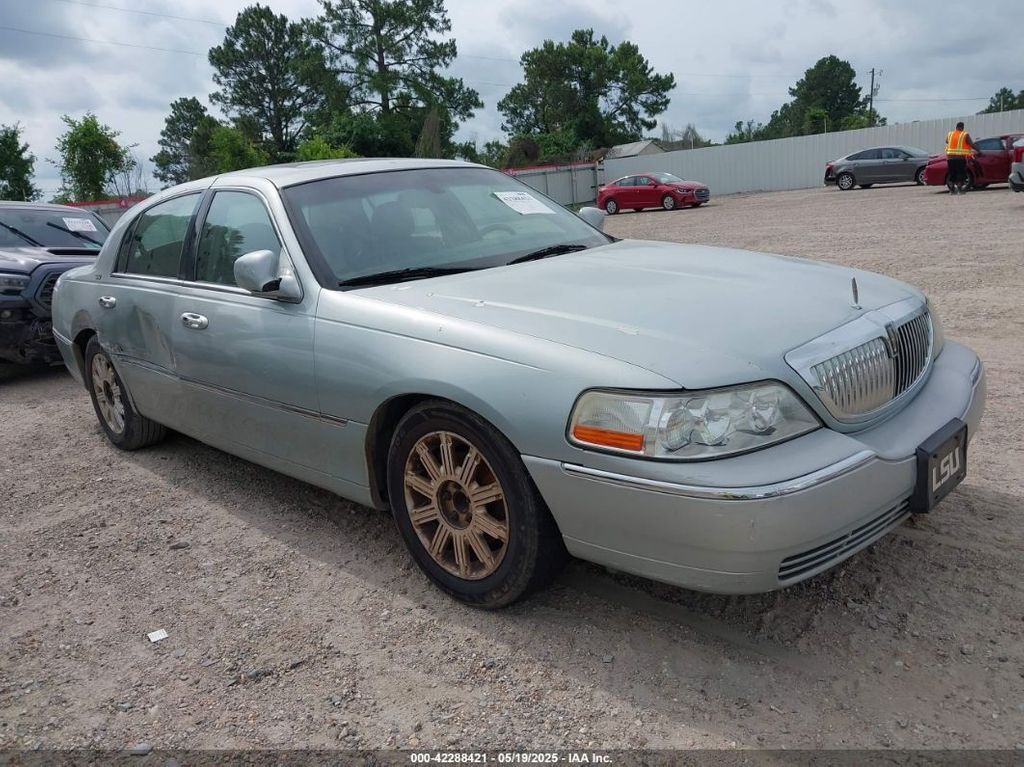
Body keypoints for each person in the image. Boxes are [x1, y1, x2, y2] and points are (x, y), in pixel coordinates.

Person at [945, 121, 977, 194]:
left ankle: (952, 190)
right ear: (962, 127)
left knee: (952, 174)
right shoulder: (964, 134)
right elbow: (971, 144)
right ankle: (959, 190)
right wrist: (979, 150)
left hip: (950, 158)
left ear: (956, 127)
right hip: (960, 158)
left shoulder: (950, 134)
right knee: (960, 174)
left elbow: (947, 141)